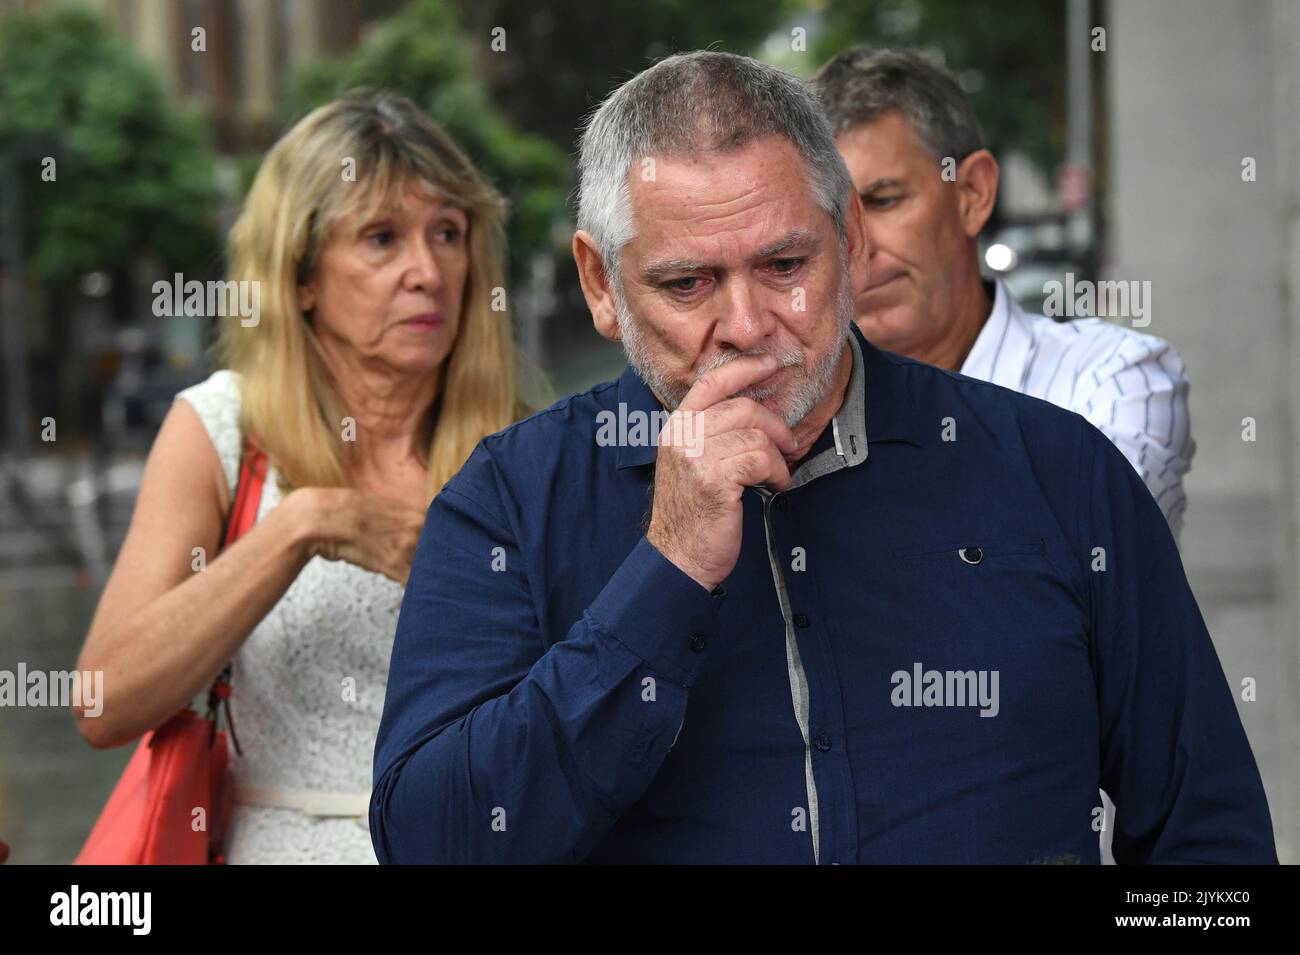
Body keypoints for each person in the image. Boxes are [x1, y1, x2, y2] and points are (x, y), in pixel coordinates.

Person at [370, 52, 1275, 864]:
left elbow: (1211, 837)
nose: (748, 326)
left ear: (847, 242)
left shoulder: (1055, 470)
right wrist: (667, 570)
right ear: (602, 285)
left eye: (784, 264)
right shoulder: (510, 502)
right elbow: (430, 839)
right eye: (686, 284)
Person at [73, 90, 529, 863]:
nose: (427, 270)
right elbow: (101, 702)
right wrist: (300, 526)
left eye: (447, 233)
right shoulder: (224, 430)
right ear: (303, 277)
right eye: (382, 238)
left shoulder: (522, 446)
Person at [812, 48, 1195, 541]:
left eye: (884, 201)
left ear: (972, 193)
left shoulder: (1112, 378)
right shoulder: (797, 403)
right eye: (829, 220)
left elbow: (1083, 564)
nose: (856, 248)